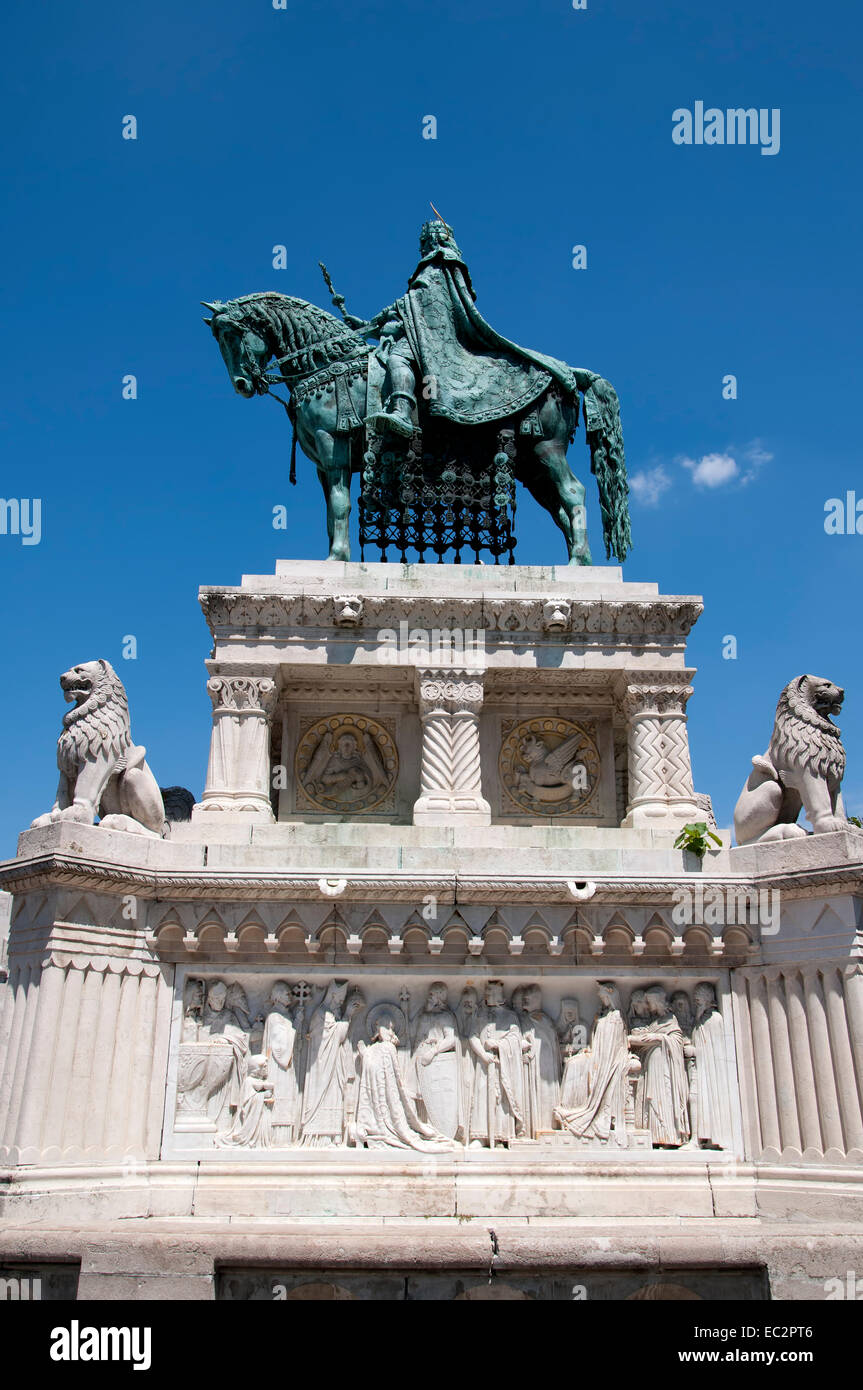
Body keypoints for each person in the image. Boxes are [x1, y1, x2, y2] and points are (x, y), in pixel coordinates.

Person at [345, 219, 579, 440]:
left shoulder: (436, 263)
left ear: (432, 240)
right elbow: (413, 306)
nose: (422, 248)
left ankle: (402, 412)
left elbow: (417, 301)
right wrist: (368, 326)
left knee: (397, 357)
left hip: (435, 339)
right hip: (431, 334)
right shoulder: (446, 265)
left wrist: (376, 322)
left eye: (424, 243)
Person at [355, 1018, 456, 1152]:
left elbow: (393, 1077)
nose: (389, 1031)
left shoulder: (388, 1047)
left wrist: (366, 1054)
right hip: (375, 1097)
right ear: (377, 1030)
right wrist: (366, 1054)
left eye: (391, 1028)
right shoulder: (374, 1048)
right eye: (386, 1027)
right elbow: (371, 1068)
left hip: (388, 1095)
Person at [555, 983, 630, 1144]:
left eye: (603, 997)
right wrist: (589, 1049)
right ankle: (568, 1106)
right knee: (572, 1062)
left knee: (576, 1064)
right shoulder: (604, 1015)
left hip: (608, 1060)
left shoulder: (616, 1017)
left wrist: (597, 1056)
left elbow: (612, 1046)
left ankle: (574, 1111)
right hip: (597, 1054)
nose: (602, 1000)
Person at [628, 985, 690, 1148]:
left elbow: (677, 1042)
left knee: (663, 1099)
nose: (648, 1006)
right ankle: (654, 1137)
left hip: (664, 1068)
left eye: (650, 1002)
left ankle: (668, 1137)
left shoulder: (670, 1020)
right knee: (653, 1099)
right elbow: (645, 1038)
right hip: (651, 1066)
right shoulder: (656, 1022)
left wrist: (658, 1037)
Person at [300, 980, 351, 1146]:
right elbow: (333, 1036)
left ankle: (333, 1135)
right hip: (321, 1066)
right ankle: (318, 1136)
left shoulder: (332, 1014)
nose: (340, 1003)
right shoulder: (322, 1013)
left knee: (335, 1095)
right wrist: (348, 1015)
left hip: (333, 1063)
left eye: (343, 1001)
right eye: (339, 999)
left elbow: (338, 1035)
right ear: (332, 995)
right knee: (324, 1096)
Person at [410, 982, 462, 1140]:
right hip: (418, 1058)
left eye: (432, 994)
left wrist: (433, 1052)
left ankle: (438, 1130)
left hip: (434, 1062)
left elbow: (451, 1039)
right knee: (413, 1093)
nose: (429, 997)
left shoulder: (445, 1016)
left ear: (440, 997)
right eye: (429, 994)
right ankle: (421, 1127)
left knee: (436, 1094)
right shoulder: (423, 1014)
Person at [691, 983, 734, 1150]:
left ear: (708, 998)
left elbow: (715, 1049)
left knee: (707, 1099)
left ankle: (713, 1138)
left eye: (699, 997)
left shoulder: (715, 1019)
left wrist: (696, 1050)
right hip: (701, 1067)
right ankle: (699, 1137)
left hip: (711, 1070)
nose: (697, 1000)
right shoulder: (701, 1020)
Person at [262, 982, 299, 1146]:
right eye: (285, 993)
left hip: (287, 1065)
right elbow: (279, 1047)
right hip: (279, 1067)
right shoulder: (275, 1017)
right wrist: (295, 1026)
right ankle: (277, 1138)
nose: (289, 996)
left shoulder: (285, 1016)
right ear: (276, 996)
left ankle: (286, 1138)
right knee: (280, 1098)